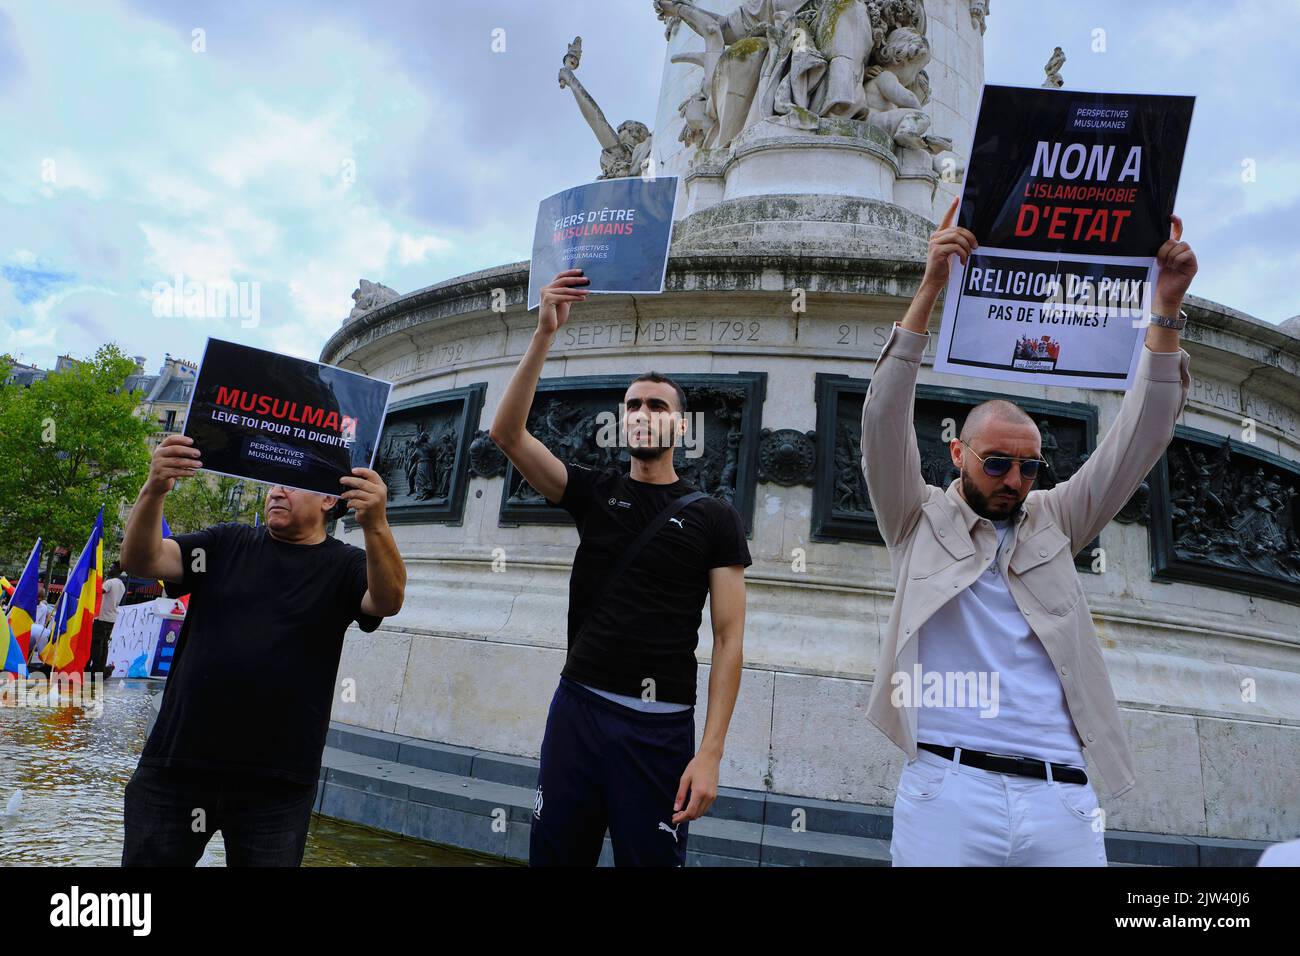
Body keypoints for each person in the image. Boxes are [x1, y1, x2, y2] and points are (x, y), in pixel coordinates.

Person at [862, 198, 1196, 866]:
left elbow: (1143, 434)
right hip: (947, 791)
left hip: (1061, 799)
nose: (1014, 479)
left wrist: (1164, 309)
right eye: (996, 463)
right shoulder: (914, 516)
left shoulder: (1057, 518)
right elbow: (881, 417)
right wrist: (929, 285)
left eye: (1028, 466)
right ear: (956, 453)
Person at [490, 269, 751, 867]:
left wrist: (709, 753)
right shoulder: (592, 491)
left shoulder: (716, 518)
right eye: (632, 404)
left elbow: (731, 638)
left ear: (680, 426)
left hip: (660, 732)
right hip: (577, 711)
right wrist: (543, 335)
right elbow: (506, 433)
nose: (641, 412)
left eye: (657, 405)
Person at [118, 434, 406, 866]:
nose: (276, 490)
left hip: (276, 784)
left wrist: (376, 525)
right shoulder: (224, 543)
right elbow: (141, 560)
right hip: (177, 767)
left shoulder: (345, 566)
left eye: (293, 483)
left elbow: (387, 601)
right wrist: (154, 487)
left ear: (330, 499)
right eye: (273, 482)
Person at [89, 561, 126, 674]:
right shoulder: (122, 585)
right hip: (111, 619)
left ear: (116, 570)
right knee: (104, 645)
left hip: (102, 618)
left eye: (111, 567)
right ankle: (100, 668)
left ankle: (95, 669)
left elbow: (98, 592)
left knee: (96, 645)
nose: (109, 569)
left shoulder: (109, 582)